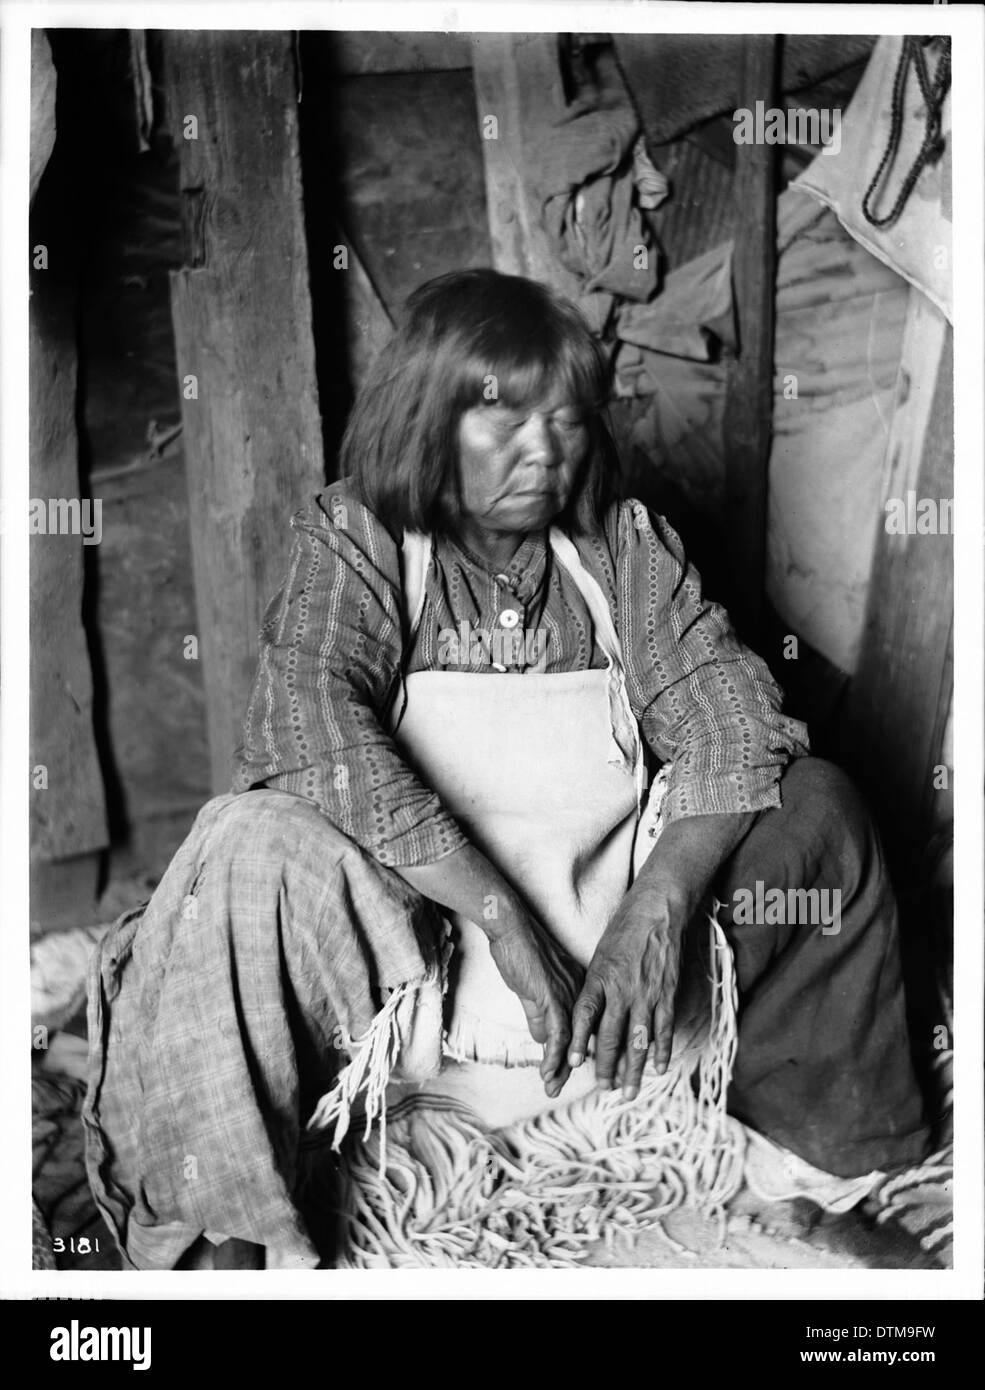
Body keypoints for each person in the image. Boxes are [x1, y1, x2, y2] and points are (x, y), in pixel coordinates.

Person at [85, 269, 931, 1270]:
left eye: (566, 422)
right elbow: (310, 726)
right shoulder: (356, 542)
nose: (543, 451)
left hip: (618, 1006)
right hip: (416, 1008)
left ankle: (814, 1177)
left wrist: (654, 913)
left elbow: (734, 721)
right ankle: (221, 1235)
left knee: (817, 801)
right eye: (504, 422)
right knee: (242, 841)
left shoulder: (621, 549)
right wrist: (499, 918)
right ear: (425, 422)